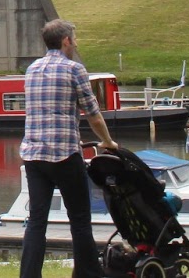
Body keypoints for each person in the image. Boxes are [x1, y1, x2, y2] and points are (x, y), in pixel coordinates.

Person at [19, 18, 117, 278]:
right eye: (75, 39)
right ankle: (88, 274)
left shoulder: (32, 69)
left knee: (37, 221)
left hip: (33, 155)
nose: (76, 43)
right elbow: (93, 115)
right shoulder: (74, 70)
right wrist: (108, 141)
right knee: (80, 219)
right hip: (63, 154)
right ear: (66, 41)